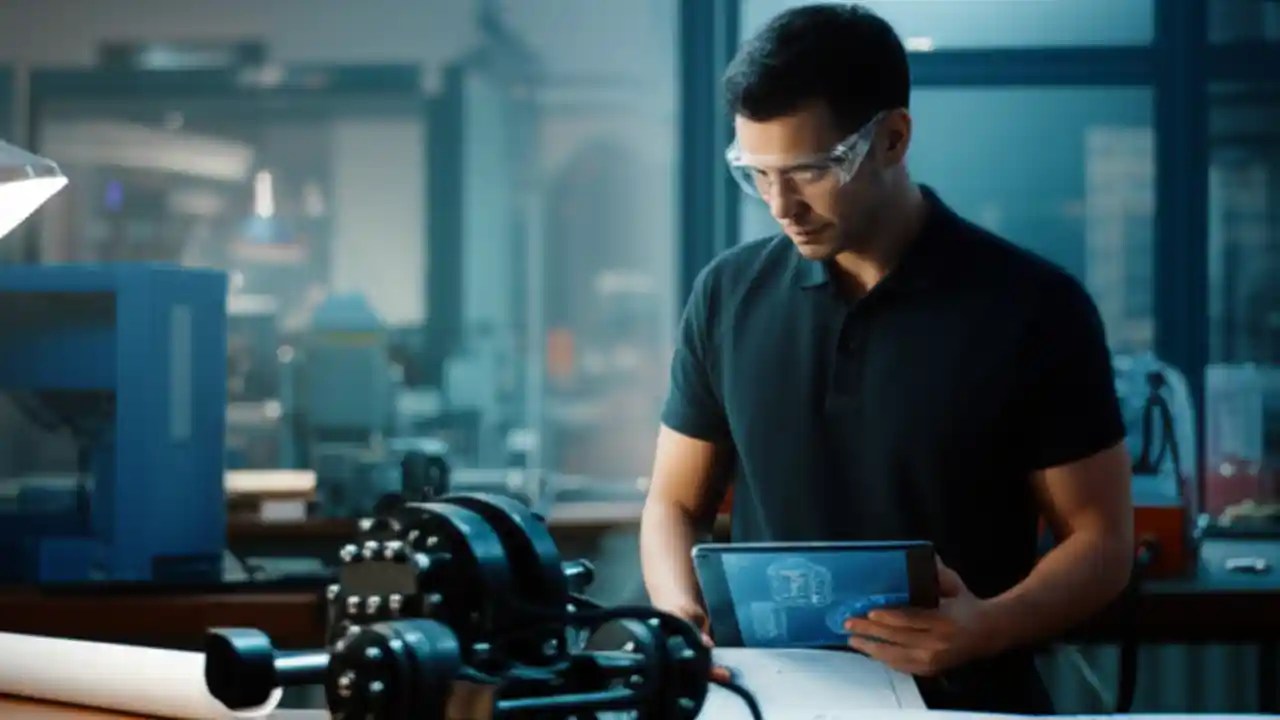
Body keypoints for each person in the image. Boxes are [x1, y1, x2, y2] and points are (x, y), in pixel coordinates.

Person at [639, 2, 1135, 714]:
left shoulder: (1034, 308)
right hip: (767, 701)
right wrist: (680, 616)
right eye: (757, 173)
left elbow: (1102, 541)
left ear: (893, 138)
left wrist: (987, 627)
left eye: (809, 170)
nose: (780, 205)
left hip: (966, 699)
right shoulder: (727, 295)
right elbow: (674, 501)